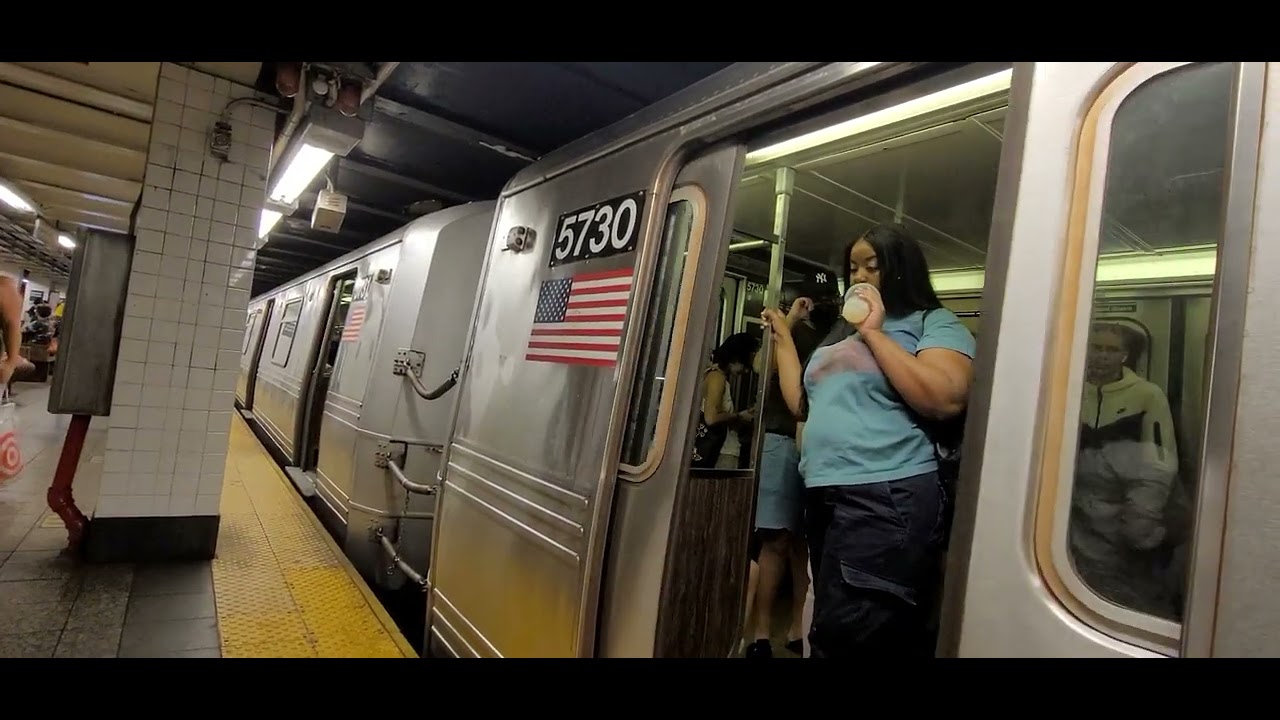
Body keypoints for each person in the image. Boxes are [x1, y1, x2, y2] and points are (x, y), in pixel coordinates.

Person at [762, 222, 976, 657]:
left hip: (886, 493)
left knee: (857, 633)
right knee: (833, 620)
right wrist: (785, 338)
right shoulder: (841, 335)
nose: (858, 278)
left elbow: (944, 399)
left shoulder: (933, 322)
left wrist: (876, 332)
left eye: (871, 267)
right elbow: (804, 404)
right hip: (825, 492)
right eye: (853, 269)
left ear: (900, 270)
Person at [743, 281, 836, 659]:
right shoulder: (789, 331)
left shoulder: (840, 339)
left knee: (806, 545)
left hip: (817, 443)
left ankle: (800, 628)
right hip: (782, 440)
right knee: (776, 540)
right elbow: (760, 369)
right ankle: (760, 634)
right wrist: (791, 322)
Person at [1070, 322, 1180, 618]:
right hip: (1072, 511)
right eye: (1096, 348)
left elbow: (1161, 456)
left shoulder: (1147, 395)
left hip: (1122, 510)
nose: (1102, 356)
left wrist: (1142, 517)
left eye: (1111, 350)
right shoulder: (1068, 389)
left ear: (1124, 356)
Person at [691, 332, 759, 470]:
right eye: (745, 364)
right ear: (735, 359)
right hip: (721, 451)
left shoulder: (712, 374)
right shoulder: (718, 378)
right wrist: (739, 416)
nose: (746, 371)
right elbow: (711, 417)